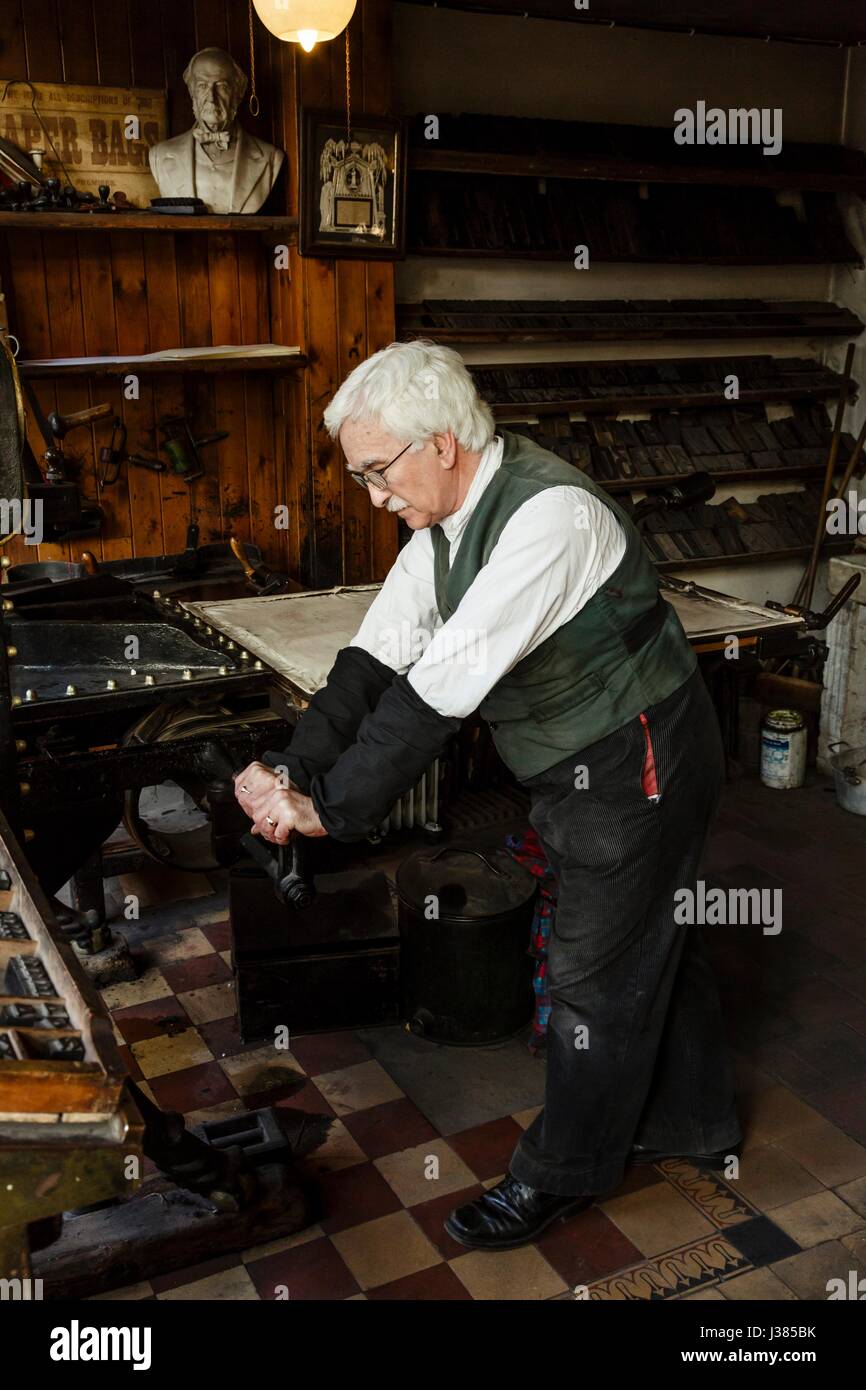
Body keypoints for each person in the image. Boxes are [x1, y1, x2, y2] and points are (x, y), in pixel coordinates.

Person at [234, 340, 742, 1251]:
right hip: (583, 758)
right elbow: (371, 661)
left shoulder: (549, 518)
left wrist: (333, 813)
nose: (373, 495)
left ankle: (562, 1173)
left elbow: (438, 690)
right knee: (653, 939)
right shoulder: (441, 530)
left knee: (591, 977)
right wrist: (291, 769)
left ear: (442, 444)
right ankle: (694, 1124)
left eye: (377, 472)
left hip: (639, 755)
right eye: (359, 477)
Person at [149, 47, 284, 214]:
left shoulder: (271, 158)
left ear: (238, 93)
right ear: (192, 92)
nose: (211, 98)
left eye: (221, 86)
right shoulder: (159, 155)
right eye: (202, 86)